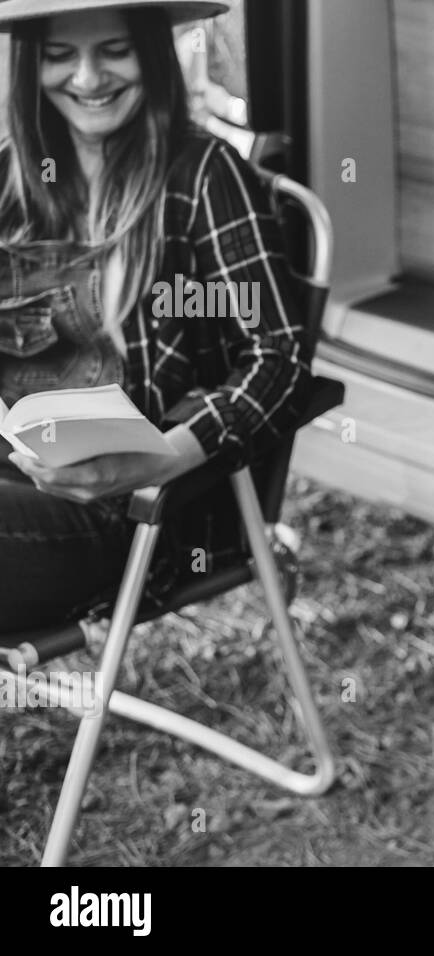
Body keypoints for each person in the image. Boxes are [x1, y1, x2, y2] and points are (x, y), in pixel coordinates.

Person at [0, 0, 311, 631]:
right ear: (32, 65)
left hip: (130, 511)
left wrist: (170, 454)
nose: (88, 78)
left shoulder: (200, 177)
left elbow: (277, 356)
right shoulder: (10, 177)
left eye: (114, 49)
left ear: (152, 50)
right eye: (61, 56)